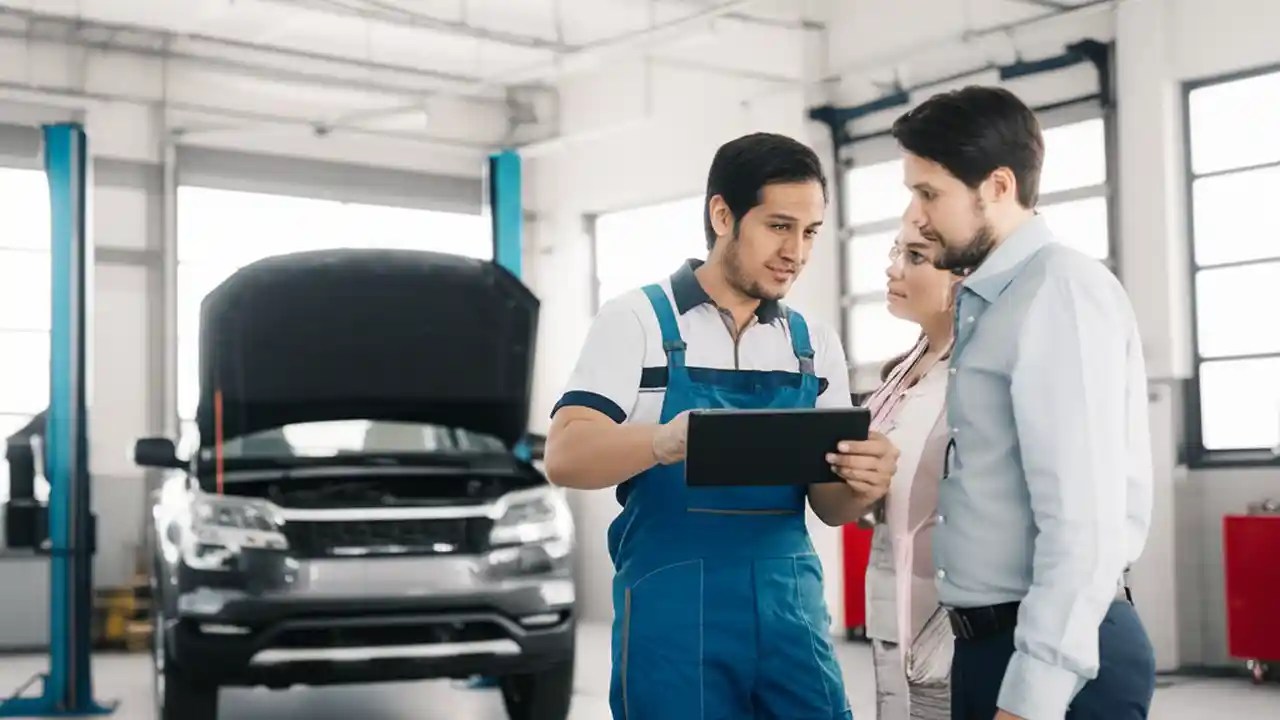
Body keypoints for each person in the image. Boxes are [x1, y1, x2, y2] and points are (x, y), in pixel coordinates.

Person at [544, 131, 901, 720]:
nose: (797, 251)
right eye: (779, 226)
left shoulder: (811, 346)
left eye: (810, 232)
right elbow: (566, 454)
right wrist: (665, 440)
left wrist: (864, 480)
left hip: (792, 612)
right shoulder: (636, 320)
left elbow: (831, 507)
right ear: (722, 215)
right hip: (673, 613)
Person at [891, 85, 1156, 720]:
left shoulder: (1057, 294)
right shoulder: (996, 301)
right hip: (990, 648)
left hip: (1054, 660)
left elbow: (1082, 523)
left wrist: (1033, 694)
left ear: (998, 186)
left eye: (929, 193)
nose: (914, 217)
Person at [863, 225, 958, 720]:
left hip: (949, 612)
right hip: (890, 595)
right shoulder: (901, 371)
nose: (892, 266)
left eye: (915, 256)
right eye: (896, 250)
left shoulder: (976, 373)